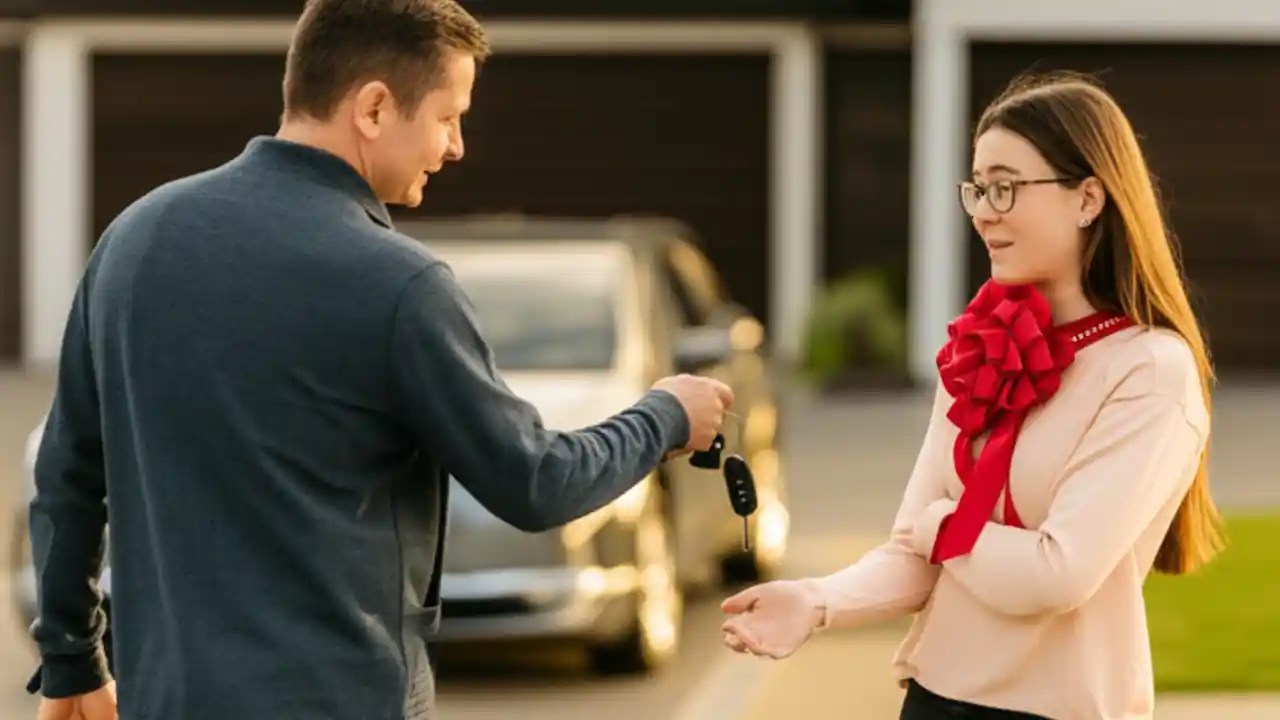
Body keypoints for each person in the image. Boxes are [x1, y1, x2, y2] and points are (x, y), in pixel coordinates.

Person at [27, 1, 734, 719]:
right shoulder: (398, 284)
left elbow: (67, 474)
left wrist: (71, 660)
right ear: (372, 108)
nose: (455, 145)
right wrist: (666, 415)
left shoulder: (133, 241)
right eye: (446, 116)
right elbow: (536, 483)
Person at [720, 71, 1223, 720]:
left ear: (1088, 198)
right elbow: (914, 556)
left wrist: (938, 525)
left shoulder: (1149, 371)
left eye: (1007, 187)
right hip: (933, 702)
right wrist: (817, 602)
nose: (984, 210)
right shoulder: (983, 347)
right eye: (979, 188)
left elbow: (1056, 575)